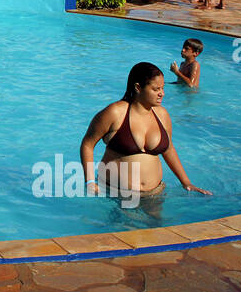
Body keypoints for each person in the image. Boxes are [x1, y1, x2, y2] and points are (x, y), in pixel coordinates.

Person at [80, 62, 211, 199]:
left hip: (155, 193)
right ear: (138, 87)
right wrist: (89, 181)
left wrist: (186, 183)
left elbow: (168, 148)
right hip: (117, 193)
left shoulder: (162, 115)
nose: (162, 94)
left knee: (156, 222)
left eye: (162, 88)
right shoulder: (115, 113)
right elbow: (88, 144)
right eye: (156, 89)